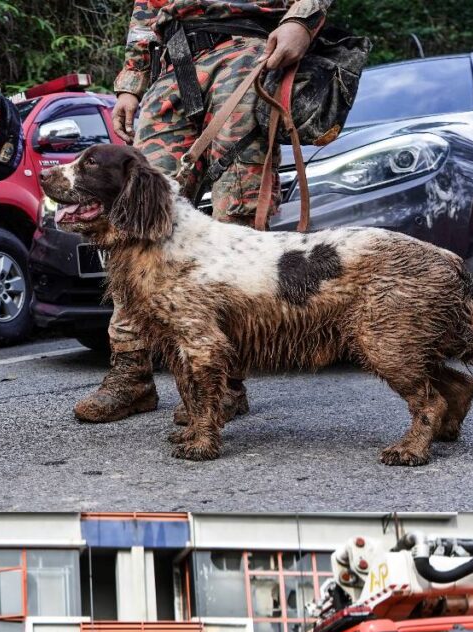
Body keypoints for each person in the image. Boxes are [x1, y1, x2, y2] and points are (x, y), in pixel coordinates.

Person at [73, 0, 330, 425]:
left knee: (237, 220)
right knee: (134, 220)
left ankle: (224, 383)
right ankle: (131, 372)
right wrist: (130, 85)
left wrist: (302, 19)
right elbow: (145, 11)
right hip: (170, 64)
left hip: (246, 51)